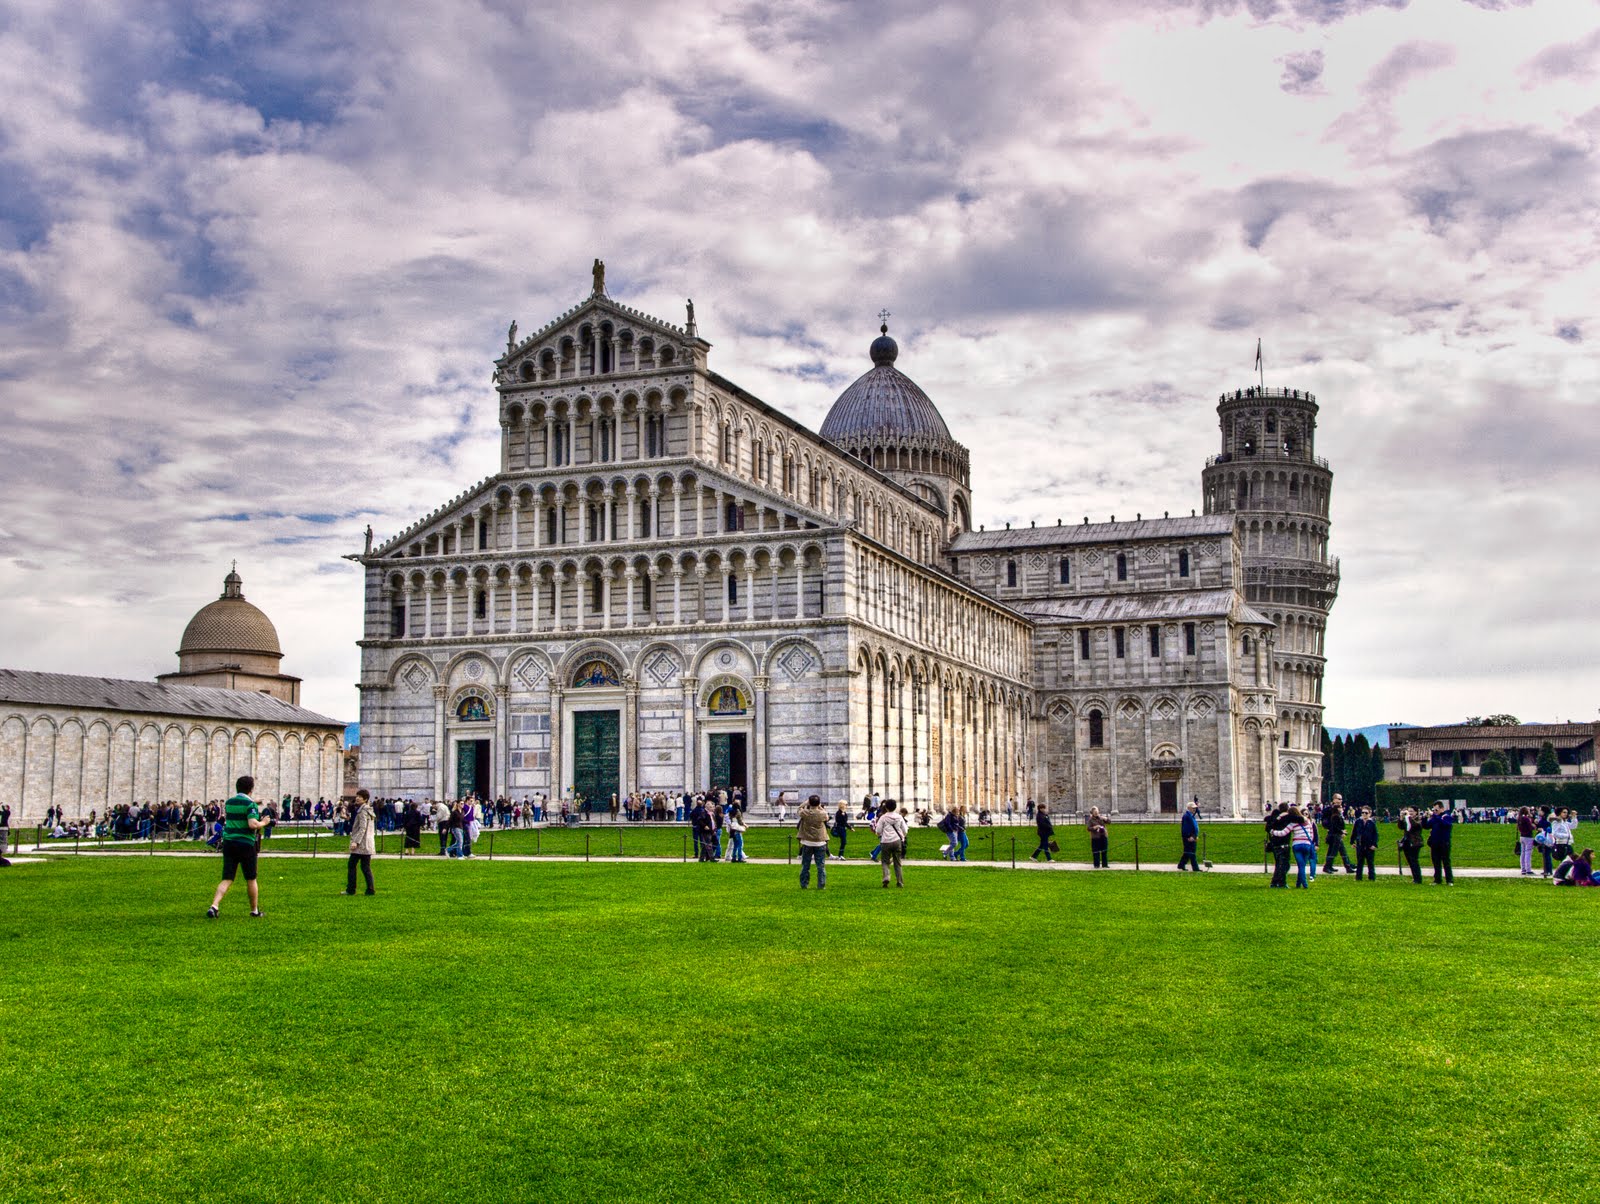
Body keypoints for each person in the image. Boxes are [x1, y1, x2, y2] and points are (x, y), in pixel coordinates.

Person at [206, 775, 269, 918]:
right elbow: (252, 824)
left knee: (227, 878)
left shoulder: (229, 803)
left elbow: (241, 804)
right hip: (246, 844)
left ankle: (214, 906)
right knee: (251, 878)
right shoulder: (250, 805)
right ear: (251, 789)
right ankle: (254, 911)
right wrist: (264, 822)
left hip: (229, 843)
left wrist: (254, 802)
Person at [343, 788, 377, 895]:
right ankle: (370, 889)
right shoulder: (369, 810)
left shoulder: (363, 811)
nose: (357, 798)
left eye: (360, 797)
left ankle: (351, 889)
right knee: (365, 867)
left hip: (361, 844)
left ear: (365, 799)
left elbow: (362, 828)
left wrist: (356, 842)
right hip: (367, 843)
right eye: (357, 796)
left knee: (352, 865)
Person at [1274, 805, 1317, 889]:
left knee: (1300, 865)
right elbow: (1311, 834)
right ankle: (1299, 883)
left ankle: (1304, 884)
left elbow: (1283, 833)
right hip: (1307, 844)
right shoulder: (1307, 821)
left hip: (1297, 845)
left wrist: (1273, 832)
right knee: (1303, 865)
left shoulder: (1292, 824)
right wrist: (1309, 842)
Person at [797, 796, 830, 889]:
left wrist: (804, 804)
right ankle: (821, 885)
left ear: (809, 803)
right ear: (818, 803)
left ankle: (804, 884)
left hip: (807, 841)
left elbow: (799, 809)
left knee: (805, 865)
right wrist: (820, 807)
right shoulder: (822, 813)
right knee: (821, 866)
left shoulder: (805, 813)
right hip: (820, 842)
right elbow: (826, 816)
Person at [873, 799, 908, 888]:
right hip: (897, 841)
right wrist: (902, 836)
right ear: (895, 807)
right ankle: (900, 882)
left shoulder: (883, 818)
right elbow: (905, 830)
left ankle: (886, 877)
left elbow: (878, 831)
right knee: (897, 862)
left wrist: (881, 834)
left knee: (885, 861)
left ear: (886, 807)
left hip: (885, 841)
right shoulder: (899, 817)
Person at [1321, 795, 1356, 874]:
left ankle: (1346, 865)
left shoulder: (1338, 811)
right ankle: (1345, 866)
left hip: (1337, 833)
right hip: (1334, 834)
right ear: (1334, 799)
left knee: (1339, 851)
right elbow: (1326, 822)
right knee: (1334, 851)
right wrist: (1340, 831)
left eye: (1341, 799)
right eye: (1339, 799)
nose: (1341, 801)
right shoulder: (1329, 810)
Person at [1423, 801, 1456, 884]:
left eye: (1436, 810)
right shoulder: (1434, 818)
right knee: (1436, 862)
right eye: (1433, 810)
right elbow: (1426, 826)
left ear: (1442, 809)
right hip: (1434, 843)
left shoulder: (1446, 816)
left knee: (1446, 862)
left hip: (1444, 842)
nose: (1435, 812)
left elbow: (1445, 824)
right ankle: (1437, 880)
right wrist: (1424, 818)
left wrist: (1434, 816)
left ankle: (1449, 880)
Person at [1396, 807, 1424, 883]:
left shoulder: (1418, 820)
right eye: (1409, 811)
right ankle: (1415, 878)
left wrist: (1408, 816)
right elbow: (1401, 827)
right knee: (1410, 861)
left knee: (1414, 860)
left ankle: (1418, 879)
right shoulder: (1407, 819)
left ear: (1416, 812)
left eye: (1412, 811)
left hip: (1415, 843)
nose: (1410, 813)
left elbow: (1412, 826)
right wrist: (1401, 818)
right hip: (1407, 842)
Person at [1351, 806, 1379, 880]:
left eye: (1366, 813)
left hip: (1369, 846)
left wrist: (1374, 844)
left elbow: (1375, 834)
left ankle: (1372, 877)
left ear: (1369, 814)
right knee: (1359, 862)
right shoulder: (1358, 822)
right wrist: (1352, 842)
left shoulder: (1372, 823)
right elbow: (1354, 832)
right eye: (1362, 812)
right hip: (1360, 845)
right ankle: (1358, 877)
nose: (1364, 814)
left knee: (1370, 862)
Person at [1178, 801, 1201, 871]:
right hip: (1189, 837)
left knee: (1187, 852)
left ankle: (1181, 865)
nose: (1194, 809)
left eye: (1195, 808)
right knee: (1192, 853)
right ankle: (1196, 868)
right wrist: (1189, 837)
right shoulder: (1186, 816)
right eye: (1193, 808)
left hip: (1192, 836)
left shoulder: (1191, 816)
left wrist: (1195, 836)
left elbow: (1194, 827)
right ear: (1189, 808)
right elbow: (1186, 828)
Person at [1516, 807, 1537, 876]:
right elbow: (1530, 827)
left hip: (1522, 836)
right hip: (1528, 836)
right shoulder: (1526, 818)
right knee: (1528, 853)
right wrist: (1534, 826)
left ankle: (1523, 869)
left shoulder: (1519, 818)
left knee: (1523, 853)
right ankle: (1528, 869)